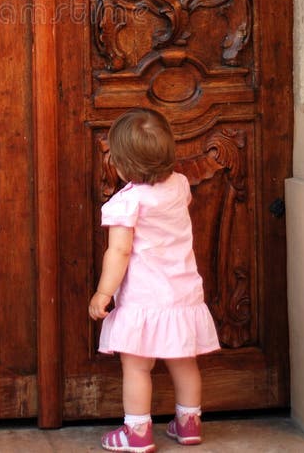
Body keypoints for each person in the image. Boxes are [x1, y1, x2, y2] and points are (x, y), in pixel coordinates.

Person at [89, 108, 220, 452]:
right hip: (182, 295)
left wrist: (104, 293)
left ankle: (136, 433)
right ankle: (189, 424)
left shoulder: (126, 202)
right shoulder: (178, 185)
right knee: (184, 362)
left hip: (144, 301)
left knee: (136, 366)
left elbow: (117, 253)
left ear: (118, 164)